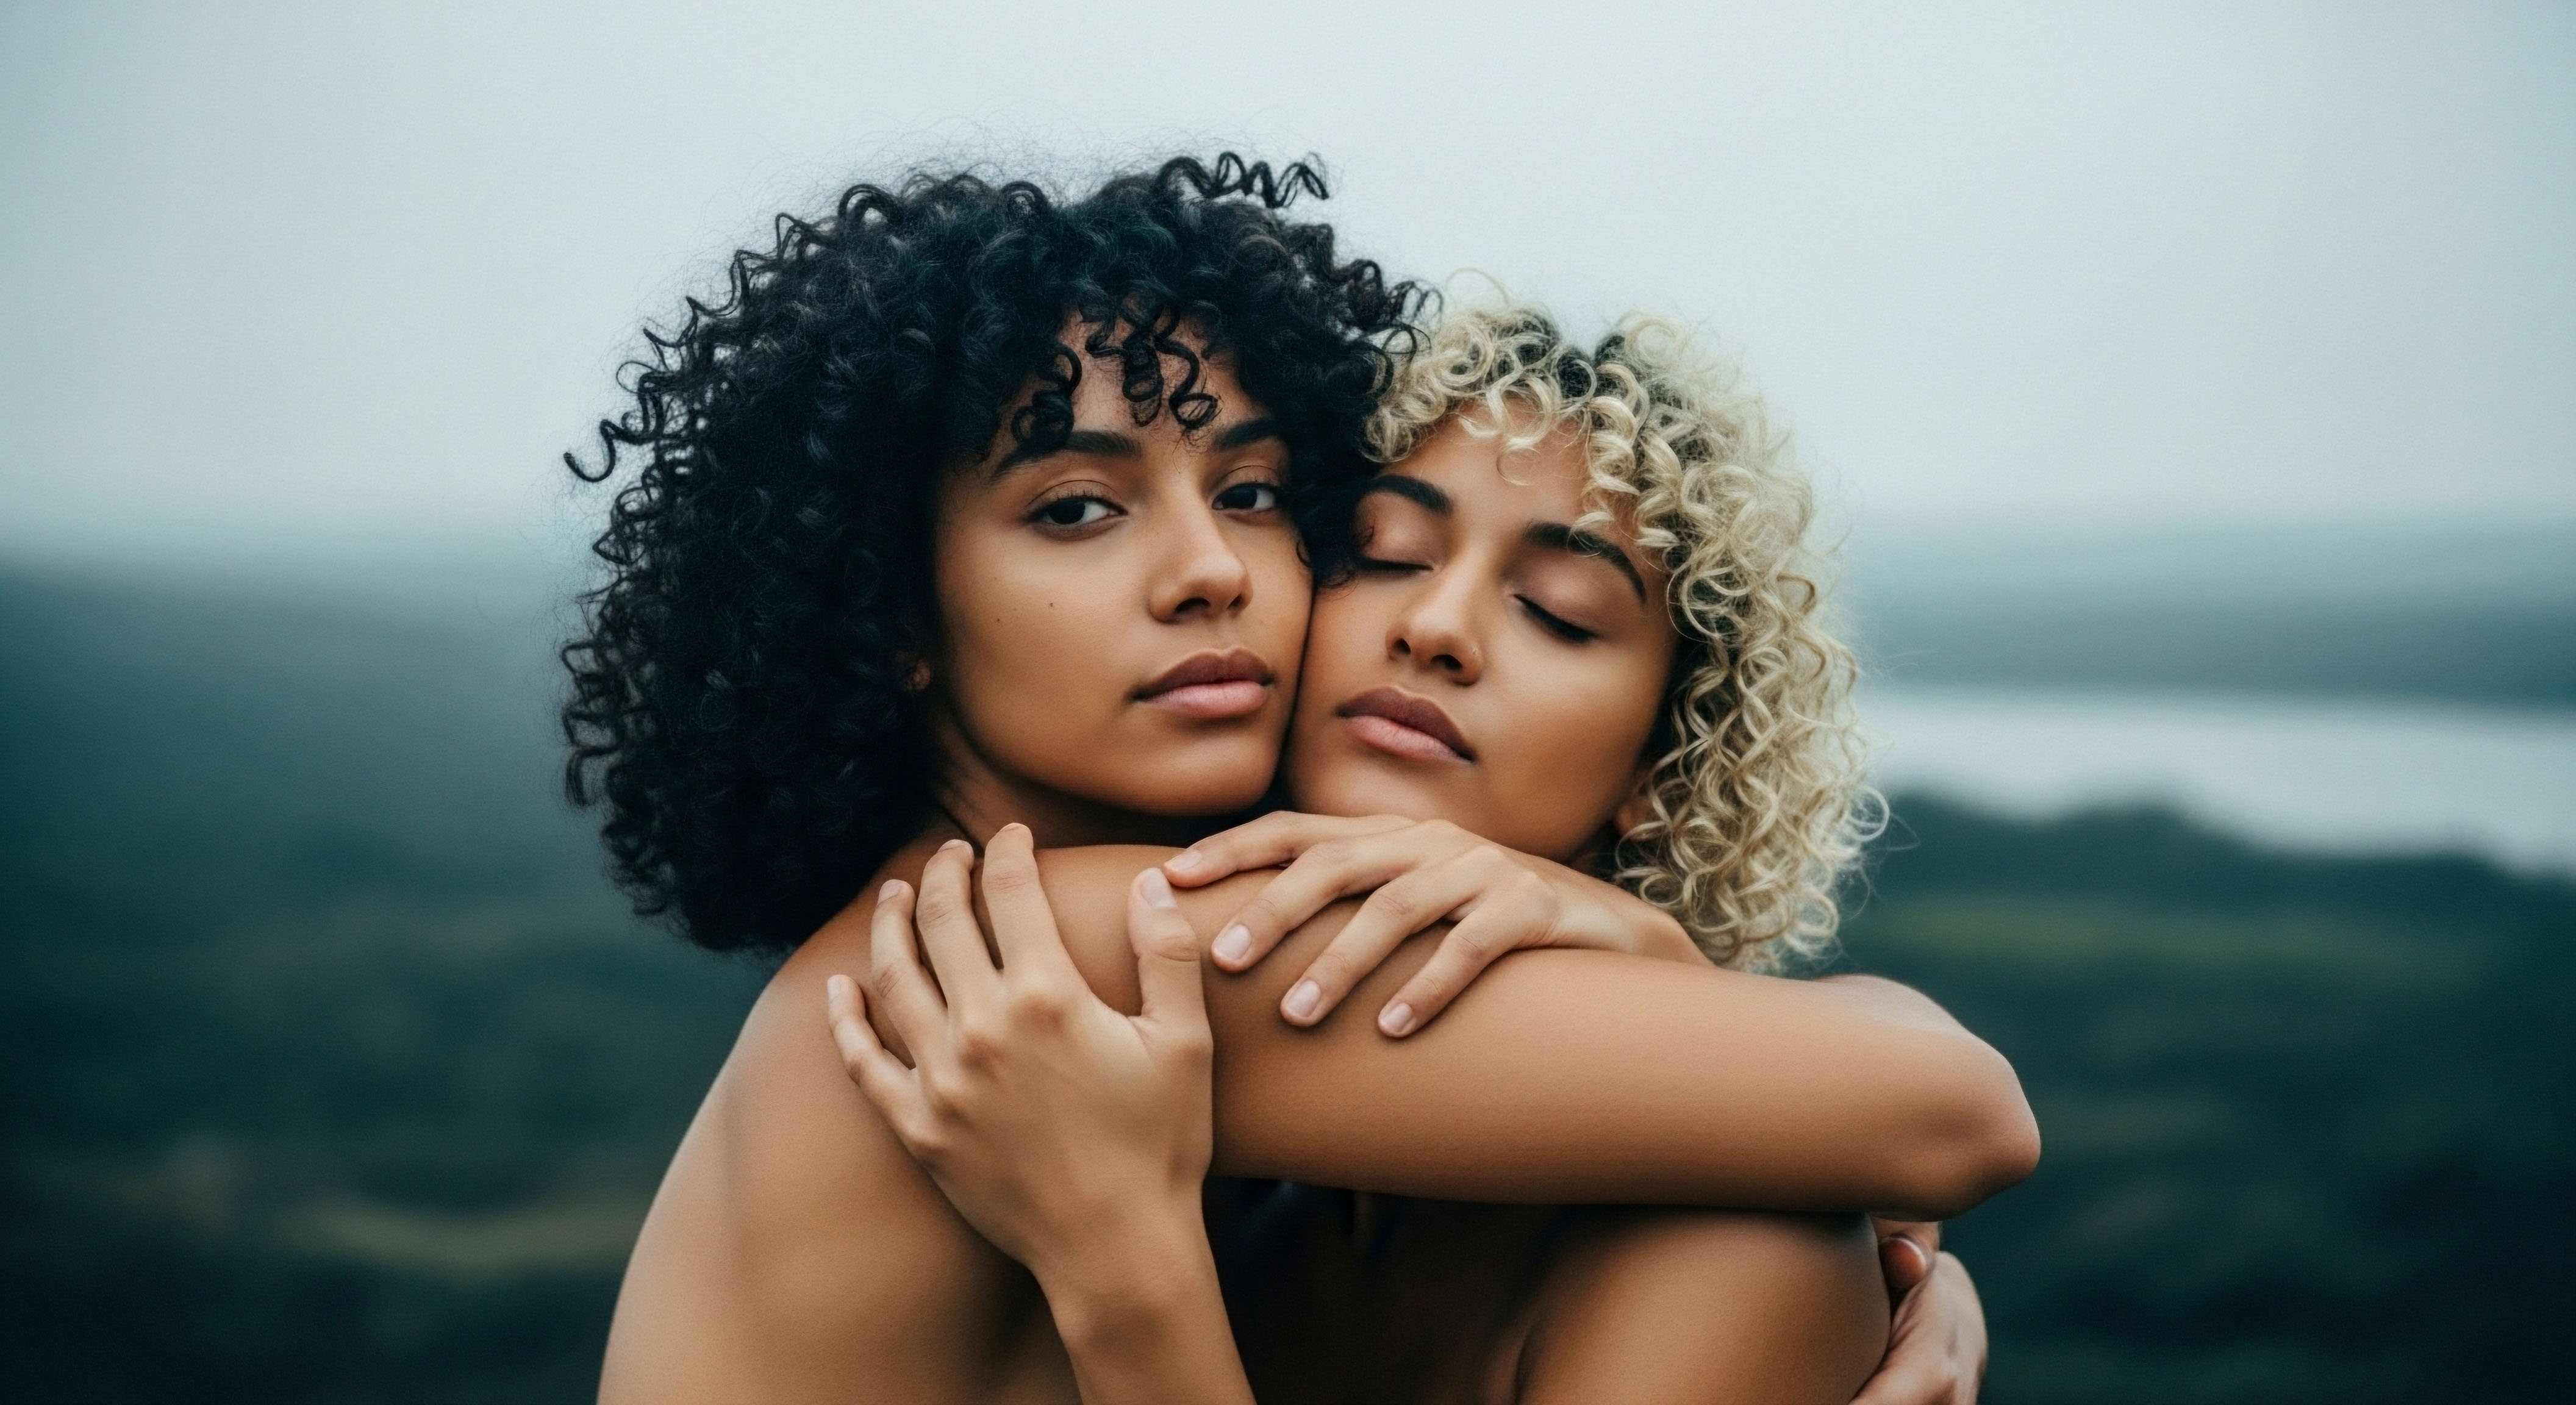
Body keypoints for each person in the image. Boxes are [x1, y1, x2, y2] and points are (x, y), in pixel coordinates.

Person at [564, 157, 2031, 1403]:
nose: (1209, 571)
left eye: (1256, 495)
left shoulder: (1240, 1142)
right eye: (1078, 508)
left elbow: (1876, 1146)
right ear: (889, 616)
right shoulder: (1047, 951)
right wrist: (1130, 1275)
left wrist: (1892, 1270)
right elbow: (1950, 1110)